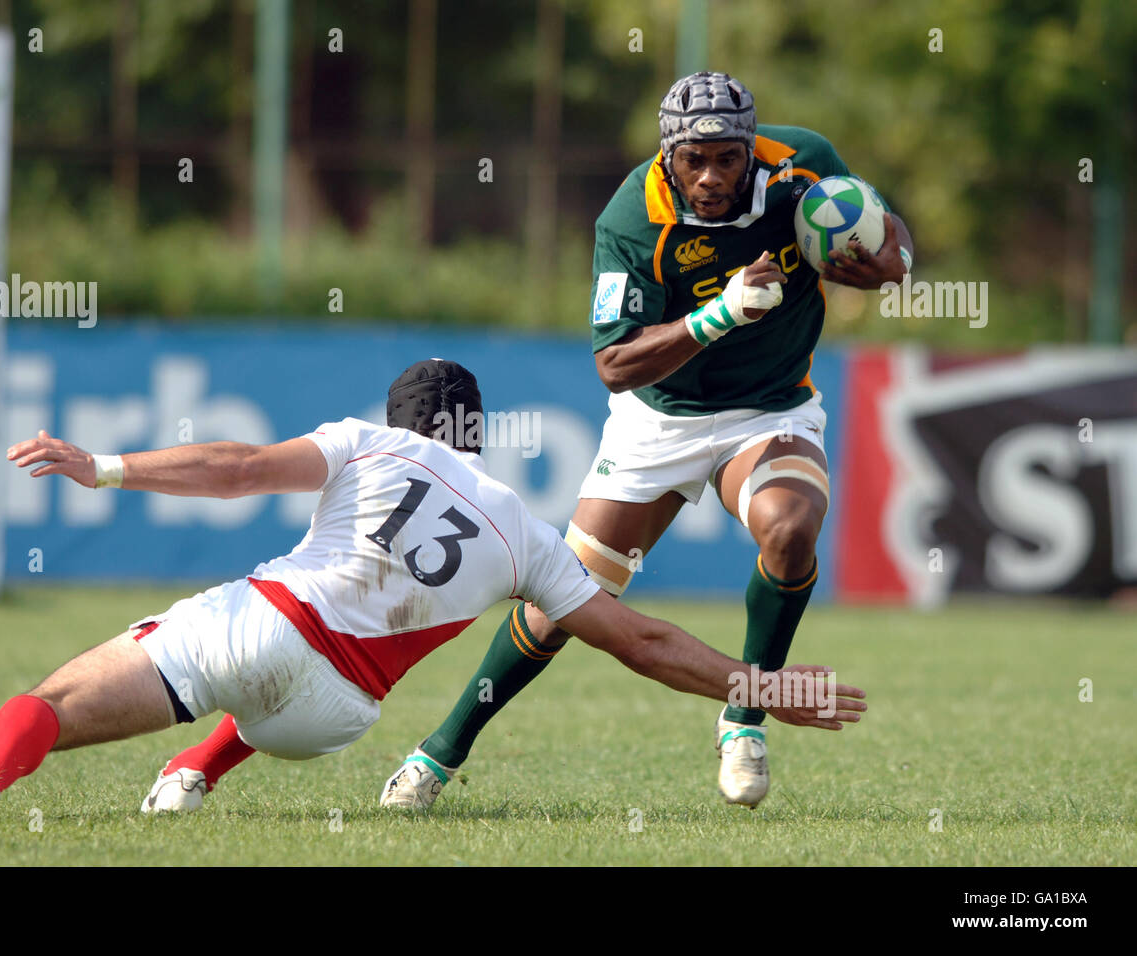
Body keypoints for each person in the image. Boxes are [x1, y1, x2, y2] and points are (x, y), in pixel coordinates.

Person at [0, 360, 865, 819]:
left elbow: (238, 465)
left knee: (53, 697)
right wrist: (769, 690)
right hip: (332, 721)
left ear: (400, 417)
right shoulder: (523, 529)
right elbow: (641, 639)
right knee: (277, 682)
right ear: (477, 430)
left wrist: (107, 466)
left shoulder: (367, 440)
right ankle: (195, 772)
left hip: (264, 628)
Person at [374, 72, 913, 810]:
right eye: (694, 159)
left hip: (770, 411)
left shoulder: (803, 163)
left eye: (728, 157)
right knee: (562, 604)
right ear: (668, 155)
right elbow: (615, 364)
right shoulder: (632, 219)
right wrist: (718, 316)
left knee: (790, 531)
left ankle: (744, 721)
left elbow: (878, 222)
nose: (712, 175)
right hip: (658, 420)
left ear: (751, 148)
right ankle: (440, 753)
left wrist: (895, 260)